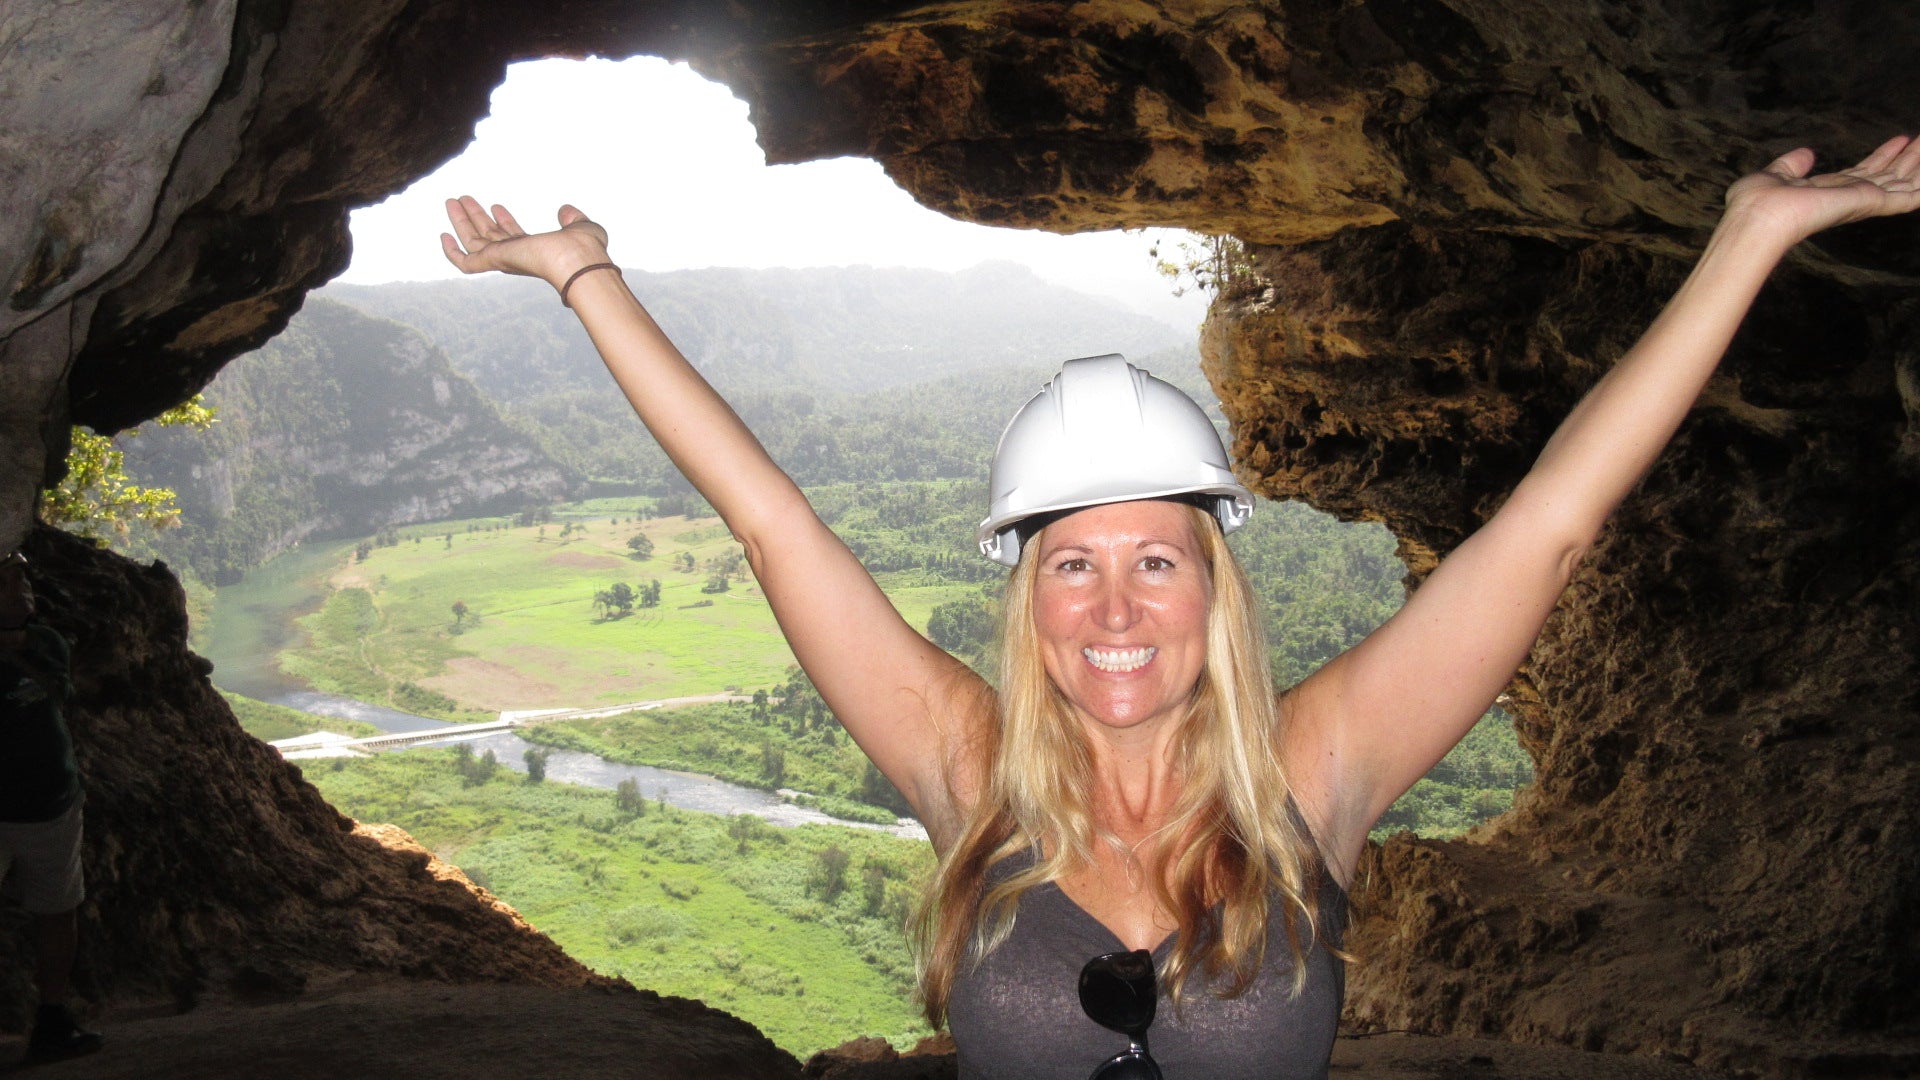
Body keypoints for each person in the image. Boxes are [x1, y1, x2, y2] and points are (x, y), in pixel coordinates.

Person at [440, 133, 1920, 1078]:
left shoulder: (1316, 770)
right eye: (1069, 564)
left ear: (1216, 586)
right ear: (1027, 599)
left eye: (1156, 559)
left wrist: (1750, 236)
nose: (1114, 606)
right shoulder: (966, 770)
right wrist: (589, 281)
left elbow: (1547, 528)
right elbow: (773, 525)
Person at [0, 552, 103, 1061]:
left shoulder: (46, 643)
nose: (23, 588)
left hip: (52, 805)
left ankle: (53, 1019)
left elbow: (55, 688)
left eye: (23, 577)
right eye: (7, 579)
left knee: (59, 912)